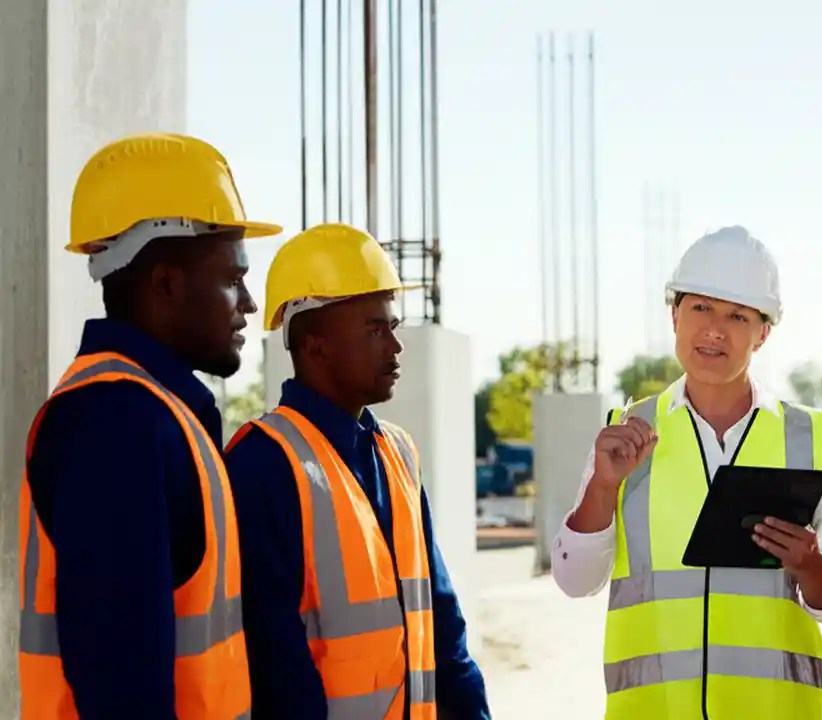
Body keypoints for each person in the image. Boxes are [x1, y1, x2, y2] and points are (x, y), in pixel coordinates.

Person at [19, 132, 280, 718]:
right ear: (165, 284)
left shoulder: (155, 414)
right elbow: (122, 689)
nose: (249, 304)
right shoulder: (115, 423)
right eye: (232, 279)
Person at [552, 226, 822, 719]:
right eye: (700, 308)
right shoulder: (626, 433)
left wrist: (811, 567)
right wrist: (602, 487)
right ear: (674, 315)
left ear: (763, 332)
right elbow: (574, 580)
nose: (715, 329)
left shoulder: (810, 438)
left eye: (737, 315)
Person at [224, 223, 489, 720]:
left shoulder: (396, 451)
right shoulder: (263, 463)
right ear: (314, 345)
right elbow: (274, 664)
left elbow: (443, 626)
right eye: (375, 329)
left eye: (392, 325)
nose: (395, 345)